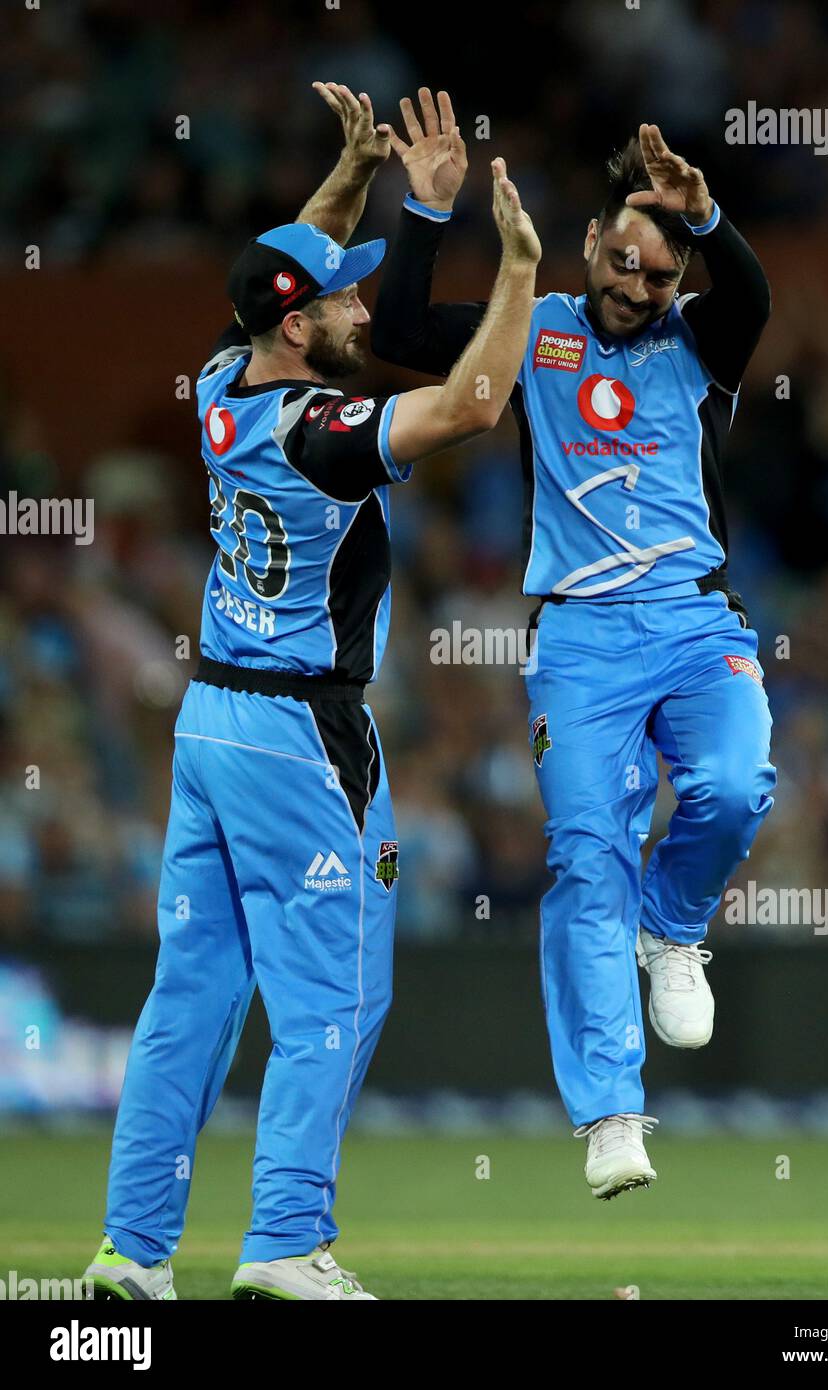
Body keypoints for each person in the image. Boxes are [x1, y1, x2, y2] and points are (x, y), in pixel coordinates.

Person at [84, 84, 541, 1300]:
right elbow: (476, 402)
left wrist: (351, 176)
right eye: (341, 298)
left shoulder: (221, 384)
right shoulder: (323, 432)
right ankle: (286, 1242)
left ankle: (131, 1254)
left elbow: (277, 273)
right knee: (335, 991)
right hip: (302, 735)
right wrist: (514, 281)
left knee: (189, 999)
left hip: (210, 726)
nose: (358, 308)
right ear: (298, 331)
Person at [372, 93, 776, 1200]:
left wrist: (711, 218)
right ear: (591, 240)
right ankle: (608, 1111)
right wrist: (425, 210)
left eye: (660, 274)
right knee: (585, 851)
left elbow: (752, 292)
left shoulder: (702, 342)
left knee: (737, 788)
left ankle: (676, 928)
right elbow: (401, 334)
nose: (638, 289)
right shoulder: (534, 329)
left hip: (698, 621)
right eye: (624, 261)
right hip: (583, 640)